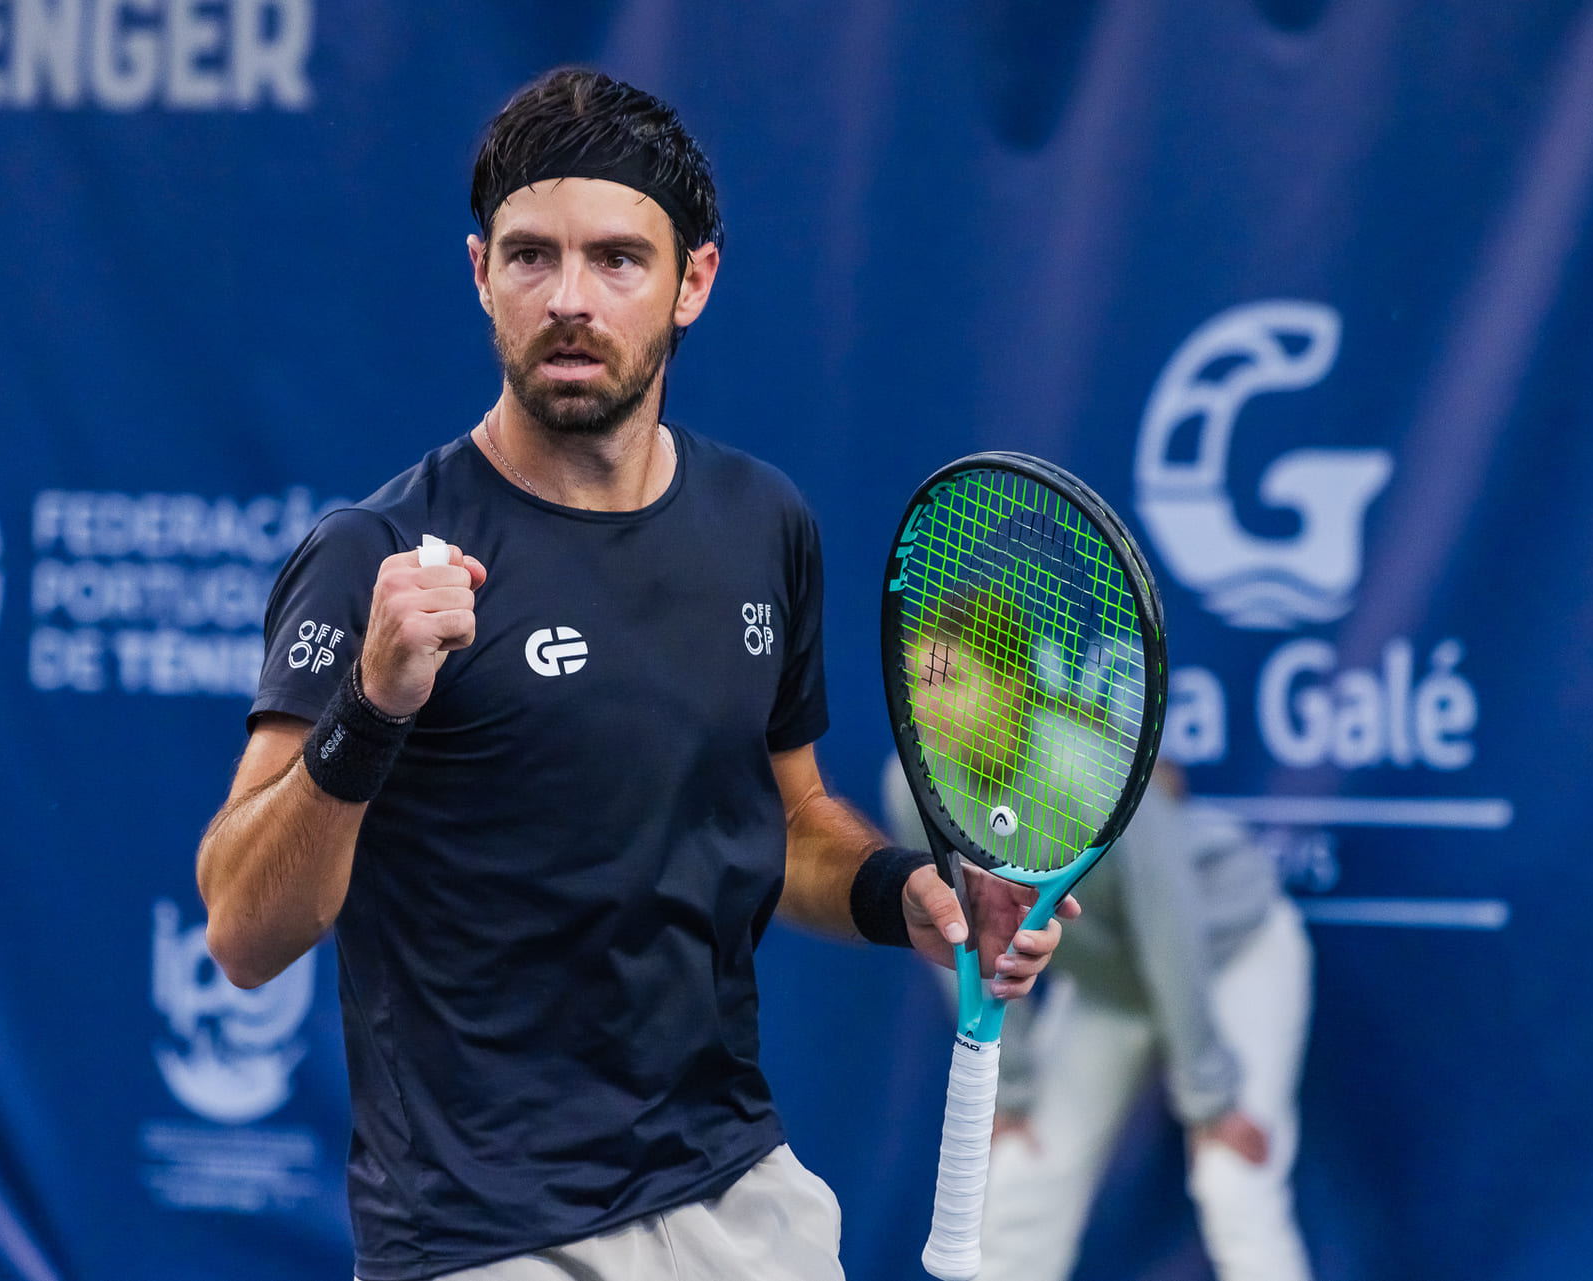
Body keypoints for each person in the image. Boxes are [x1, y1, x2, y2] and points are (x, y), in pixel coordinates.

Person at [195, 68, 1074, 1281]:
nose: (569, 300)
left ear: (692, 282)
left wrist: (905, 894)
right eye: (529, 257)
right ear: (479, 275)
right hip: (484, 1236)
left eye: (616, 259)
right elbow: (241, 929)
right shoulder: (376, 557)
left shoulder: (764, 522)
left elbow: (786, 819)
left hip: (737, 1196)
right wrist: (370, 709)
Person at [885, 754, 1316, 1281]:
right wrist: (1011, 1086)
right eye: (924, 679)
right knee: (1023, 1175)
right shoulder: (914, 781)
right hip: (1113, 988)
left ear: (1014, 682)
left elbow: (1169, 930)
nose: (932, 703)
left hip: (1230, 952)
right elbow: (960, 937)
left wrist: (1211, 1097)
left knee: (1233, 1181)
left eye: (956, 679)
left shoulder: (1089, 771)